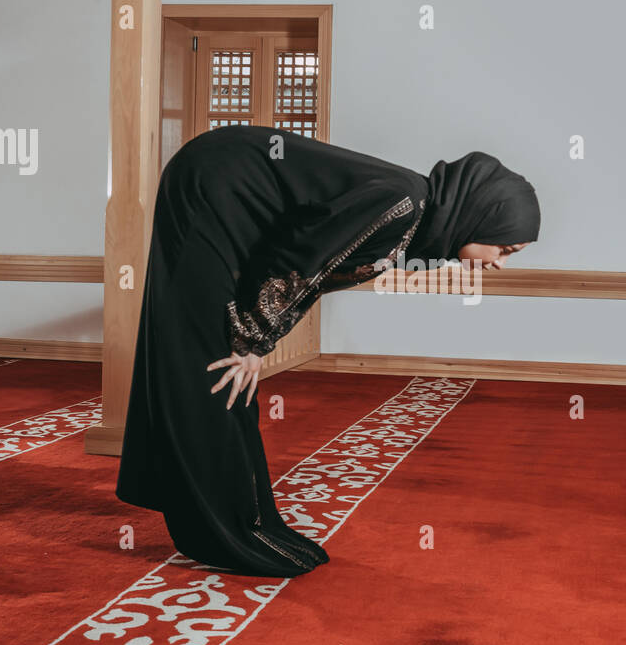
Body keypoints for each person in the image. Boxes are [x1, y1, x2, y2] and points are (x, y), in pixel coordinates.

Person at [115, 124, 540, 577]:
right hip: (212, 181)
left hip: (229, 193)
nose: (499, 262)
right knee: (210, 358)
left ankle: (247, 518)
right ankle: (218, 527)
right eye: (504, 247)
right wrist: (255, 341)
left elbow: (314, 264)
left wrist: (258, 335)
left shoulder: (413, 212)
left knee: (222, 356)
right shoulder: (402, 202)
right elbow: (302, 259)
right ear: (479, 215)